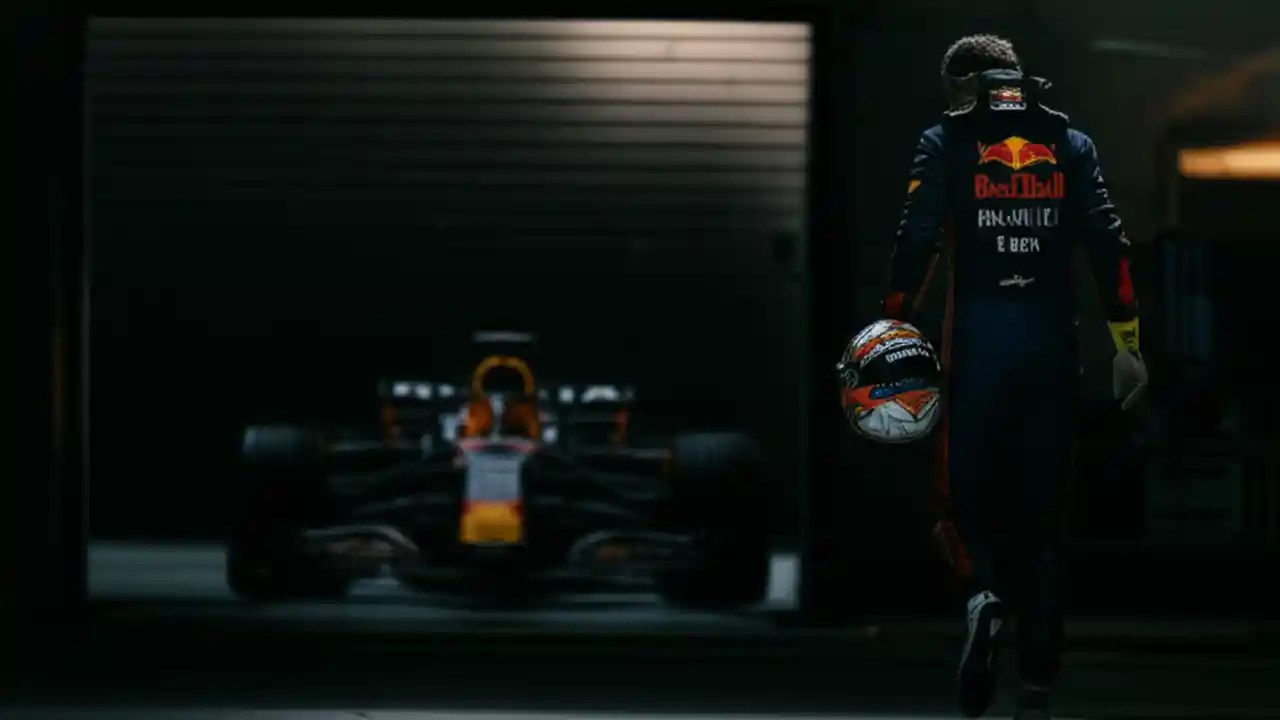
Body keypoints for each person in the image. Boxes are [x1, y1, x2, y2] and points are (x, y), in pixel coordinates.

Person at [880, 35, 1148, 720]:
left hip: (975, 344)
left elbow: (915, 237)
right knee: (1044, 518)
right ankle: (1035, 685)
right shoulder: (1072, 144)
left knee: (963, 499)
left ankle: (982, 597)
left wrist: (890, 321)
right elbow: (1107, 242)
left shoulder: (944, 141)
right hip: (1052, 345)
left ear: (963, 83)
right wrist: (1128, 344)